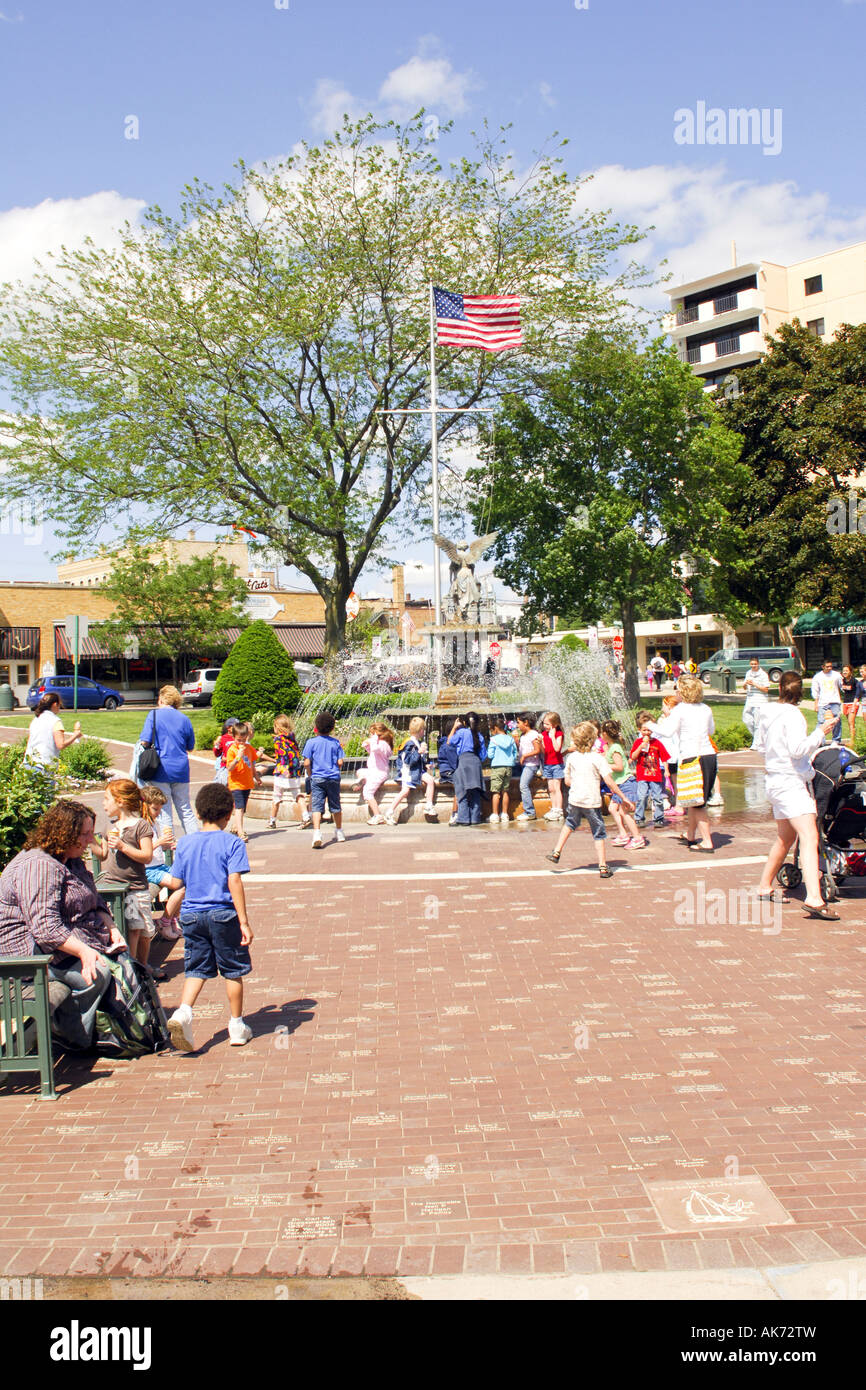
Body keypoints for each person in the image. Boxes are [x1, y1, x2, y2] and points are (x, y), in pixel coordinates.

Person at [0, 799, 124, 1050]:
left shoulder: (70, 859)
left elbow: (94, 898)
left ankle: (85, 1031)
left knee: (121, 964)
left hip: (55, 950)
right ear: (64, 833)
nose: (90, 840)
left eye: (92, 833)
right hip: (26, 958)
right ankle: (71, 1036)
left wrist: (111, 927)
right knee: (96, 975)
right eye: (84, 834)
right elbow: (45, 928)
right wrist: (84, 951)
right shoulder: (39, 864)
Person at [162, 782, 254, 1052]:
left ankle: (184, 1012)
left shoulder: (186, 843)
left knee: (196, 968)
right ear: (228, 814)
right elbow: (234, 880)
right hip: (223, 913)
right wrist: (244, 921)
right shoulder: (232, 842)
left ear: (199, 813)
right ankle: (236, 1026)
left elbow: (177, 880)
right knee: (233, 970)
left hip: (191, 914)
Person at [754, 672, 838, 920]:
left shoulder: (766, 713)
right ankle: (814, 898)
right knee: (809, 835)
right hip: (790, 780)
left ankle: (765, 884)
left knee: (785, 836)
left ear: (778, 688)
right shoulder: (794, 716)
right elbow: (798, 749)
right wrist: (821, 731)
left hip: (774, 779)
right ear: (801, 692)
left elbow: (759, 746)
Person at [90, 778, 157, 973]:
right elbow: (102, 854)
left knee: (140, 930)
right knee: (127, 929)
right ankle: (130, 969)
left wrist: (122, 846)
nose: (103, 804)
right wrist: (88, 840)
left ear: (120, 801)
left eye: (106, 799)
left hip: (135, 887)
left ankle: (139, 968)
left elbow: (146, 856)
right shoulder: (109, 826)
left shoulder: (140, 825)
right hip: (113, 886)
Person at [649, 675, 717, 852]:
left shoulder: (680, 710)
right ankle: (691, 835)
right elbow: (711, 730)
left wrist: (649, 724)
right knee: (694, 799)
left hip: (692, 758)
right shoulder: (705, 709)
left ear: (683, 691)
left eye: (677, 689)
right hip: (709, 755)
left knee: (697, 803)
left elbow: (667, 731)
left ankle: (707, 842)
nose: (676, 692)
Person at [546, 722, 614, 877]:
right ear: (592, 740)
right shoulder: (597, 758)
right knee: (599, 832)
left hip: (575, 799)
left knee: (570, 823)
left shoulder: (572, 758)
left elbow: (568, 781)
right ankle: (603, 867)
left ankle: (556, 852)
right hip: (591, 801)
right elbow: (609, 781)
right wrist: (622, 796)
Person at [138, 686, 197, 835]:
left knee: (164, 809)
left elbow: (145, 741)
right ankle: (195, 840)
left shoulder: (154, 715)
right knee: (185, 808)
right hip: (181, 768)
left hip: (161, 767)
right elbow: (190, 746)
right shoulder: (184, 719)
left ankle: (168, 846)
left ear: (162, 699)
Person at [139, 784, 182, 941]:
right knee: (180, 885)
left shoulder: (153, 823)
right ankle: (166, 921)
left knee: (186, 879)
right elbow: (143, 850)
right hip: (149, 869)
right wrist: (159, 842)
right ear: (145, 806)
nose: (158, 813)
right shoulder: (140, 825)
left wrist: (168, 843)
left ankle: (171, 918)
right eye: (155, 809)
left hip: (159, 865)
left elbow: (158, 847)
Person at [302, 710, 345, 849]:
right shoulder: (335, 743)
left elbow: (307, 763)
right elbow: (340, 762)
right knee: (335, 805)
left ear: (316, 726)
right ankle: (339, 831)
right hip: (333, 778)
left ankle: (317, 833)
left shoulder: (311, 742)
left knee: (316, 806)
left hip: (317, 778)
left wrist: (310, 774)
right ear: (332, 728)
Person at [599, 720, 643, 848]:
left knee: (624, 812)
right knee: (612, 808)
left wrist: (605, 765)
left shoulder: (616, 748)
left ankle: (637, 838)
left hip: (626, 783)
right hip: (620, 784)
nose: (601, 735)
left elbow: (619, 767)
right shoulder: (612, 747)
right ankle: (623, 834)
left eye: (602, 733)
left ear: (606, 734)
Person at [388, 717, 437, 824]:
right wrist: (419, 752)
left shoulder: (416, 742)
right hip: (408, 772)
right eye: (423, 730)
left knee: (430, 780)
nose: (424, 732)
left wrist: (425, 765)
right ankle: (389, 812)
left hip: (416, 771)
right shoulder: (409, 743)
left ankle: (429, 805)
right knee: (405, 792)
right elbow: (408, 760)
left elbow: (416, 760)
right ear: (420, 731)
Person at [24, 692, 83, 771]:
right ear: (55, 704)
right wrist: (75, 735)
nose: (59, 708)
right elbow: (60, 745)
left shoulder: (36, 719)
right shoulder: (55, 721)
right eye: (59, 705)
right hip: (44, 765)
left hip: (28, 762)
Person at [629, 716, 669, 831]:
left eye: (649, 730)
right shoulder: (638, 742)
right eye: (644, 730)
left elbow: (664, 757)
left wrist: (666, 770)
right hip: (642, 775)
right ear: (639, 730)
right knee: (641, 797)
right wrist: (640, 747)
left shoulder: (657, 743)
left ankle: (659, 818)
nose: (646, 733)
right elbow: (633, 756)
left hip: (655, 775)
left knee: (657, 797)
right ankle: (639, 818)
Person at [226, 722, 264, 842]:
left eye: (243, 739)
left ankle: (235, 826)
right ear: (234, 737)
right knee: (239, 807)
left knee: (242, 808)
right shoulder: (232, 750)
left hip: (247, 782)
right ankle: (241, 832)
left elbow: (252, 764)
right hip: (236, 783)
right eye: (238, 740)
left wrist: (256, 777)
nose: (241, 743)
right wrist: (238, 757)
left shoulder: (249, 748)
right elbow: (229, 767)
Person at [268, 715, 308, 828]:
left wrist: (284, 768)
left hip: (282, 771)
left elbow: (282, 753)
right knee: (297, 794)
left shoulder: (278, 739)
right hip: (294, 771)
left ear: (277, 727)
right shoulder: (292, 738)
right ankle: (306, 816)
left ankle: (272, 821)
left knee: (277, 796)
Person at [448, 712, 488, 826]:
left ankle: (464, 819)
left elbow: (449, 742)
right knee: (475, 790)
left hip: (463, 761)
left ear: (464, 722)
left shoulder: (461, 732)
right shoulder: (479, 735)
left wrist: (454, 728)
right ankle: (475, 819)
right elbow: (484, 755)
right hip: (476, 763)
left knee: (462, 790)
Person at [355, 722, 394, 825]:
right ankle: (362, 780)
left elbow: (375, 749)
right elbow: (371, 750)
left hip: (379, 773)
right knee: (360, 771)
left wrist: (373, 740)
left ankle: (378, 815)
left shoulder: (383, 745)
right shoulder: (378, 743)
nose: (370, 736)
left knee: (367, 792)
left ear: (377, 734)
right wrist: (367, 743)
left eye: (372, 734)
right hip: (373, 771)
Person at [487, 715, 518, 823]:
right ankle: (504, 814)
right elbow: (515, 753)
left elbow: (490, 755)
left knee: (496, 792)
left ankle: (495, 815)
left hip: (497, 767)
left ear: (495, 728)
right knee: (505, 791)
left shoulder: (493, 740)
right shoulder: (510, 739)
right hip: (508, 767)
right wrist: (511, 760)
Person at [515, 713, 543, 822]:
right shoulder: (523, 735)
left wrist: (525, 756)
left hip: (531, 765)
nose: (517, 725)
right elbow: (522, 750)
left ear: (526, 723)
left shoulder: (533, 734)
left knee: (523, 785)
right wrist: (517, 741)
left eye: (518, 722)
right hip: (524, 765)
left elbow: (537, 750)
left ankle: (530, 812)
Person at [810, 659, 844, 742]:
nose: (829, 668)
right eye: (827, 666)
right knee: (821, 722)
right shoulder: (818, 677)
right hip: (823, 702)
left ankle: (836, 740)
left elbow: (842, 686)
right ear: (823, 667)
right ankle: (820, 741)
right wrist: (816, 704)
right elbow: (815, 691)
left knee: (836, 721)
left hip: (834, 701)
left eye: (830, 666)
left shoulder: (836, 675)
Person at [541, 711, 566, 822]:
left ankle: (559, 810)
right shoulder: (543, 734)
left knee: (557, 787)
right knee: (551, 789)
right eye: (544, 724)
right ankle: (554, 808)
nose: (544, 726)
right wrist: (539, 742)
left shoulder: (558, 734)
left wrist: (552, 737)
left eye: (547, 724)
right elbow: (543, 751)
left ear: (555, 725)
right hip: (547, 764)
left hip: (557, 764)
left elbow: (557, 749)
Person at [742, 656, 770, 749]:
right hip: (750, 700)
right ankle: (760, 739)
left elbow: (766, 689)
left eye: (755, 664)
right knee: (747, 720)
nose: (753, 665)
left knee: (758, 723)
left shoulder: (763, 674)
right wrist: (746, 684)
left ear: (758, 664)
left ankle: (756, 744)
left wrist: (755, 684)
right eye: (752, 664)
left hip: (760, 701)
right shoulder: (748, 673)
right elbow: (744, 687)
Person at [839, 665, 863, 745]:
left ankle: (852, 741)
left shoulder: (854, 681)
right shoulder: (842, 681)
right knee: (849, 723)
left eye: (846, 670)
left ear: (850, 672)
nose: (844, 672)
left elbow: (858, 693)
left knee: (851, 721)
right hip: (845, 703)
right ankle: (853, 739)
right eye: (843, 671)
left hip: (852, 703)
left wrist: (855, 704)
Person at [212, 717, 239, 786]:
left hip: (238, 766)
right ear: (228, 728)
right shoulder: (223, 738)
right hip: (226, 767)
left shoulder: (239, 738)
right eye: (235, 726)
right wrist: (217, 744)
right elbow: (217, 753)